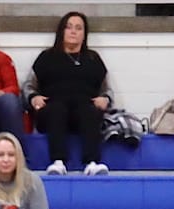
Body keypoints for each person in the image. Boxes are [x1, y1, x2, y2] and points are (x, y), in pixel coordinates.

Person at [27, 11, 112, 176]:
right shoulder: (46, 57)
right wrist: (33, 98)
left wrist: (105, 99)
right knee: (57, 109)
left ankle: (92, 162)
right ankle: (58, 162)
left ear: (84, 34)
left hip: (84, 110)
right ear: (61, 31)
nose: (74, 31)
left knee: (89, 111)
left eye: (79, 28)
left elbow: (106, 90)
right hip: (53, 111)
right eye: (69, 27)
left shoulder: (93, 58)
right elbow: (29, 86)